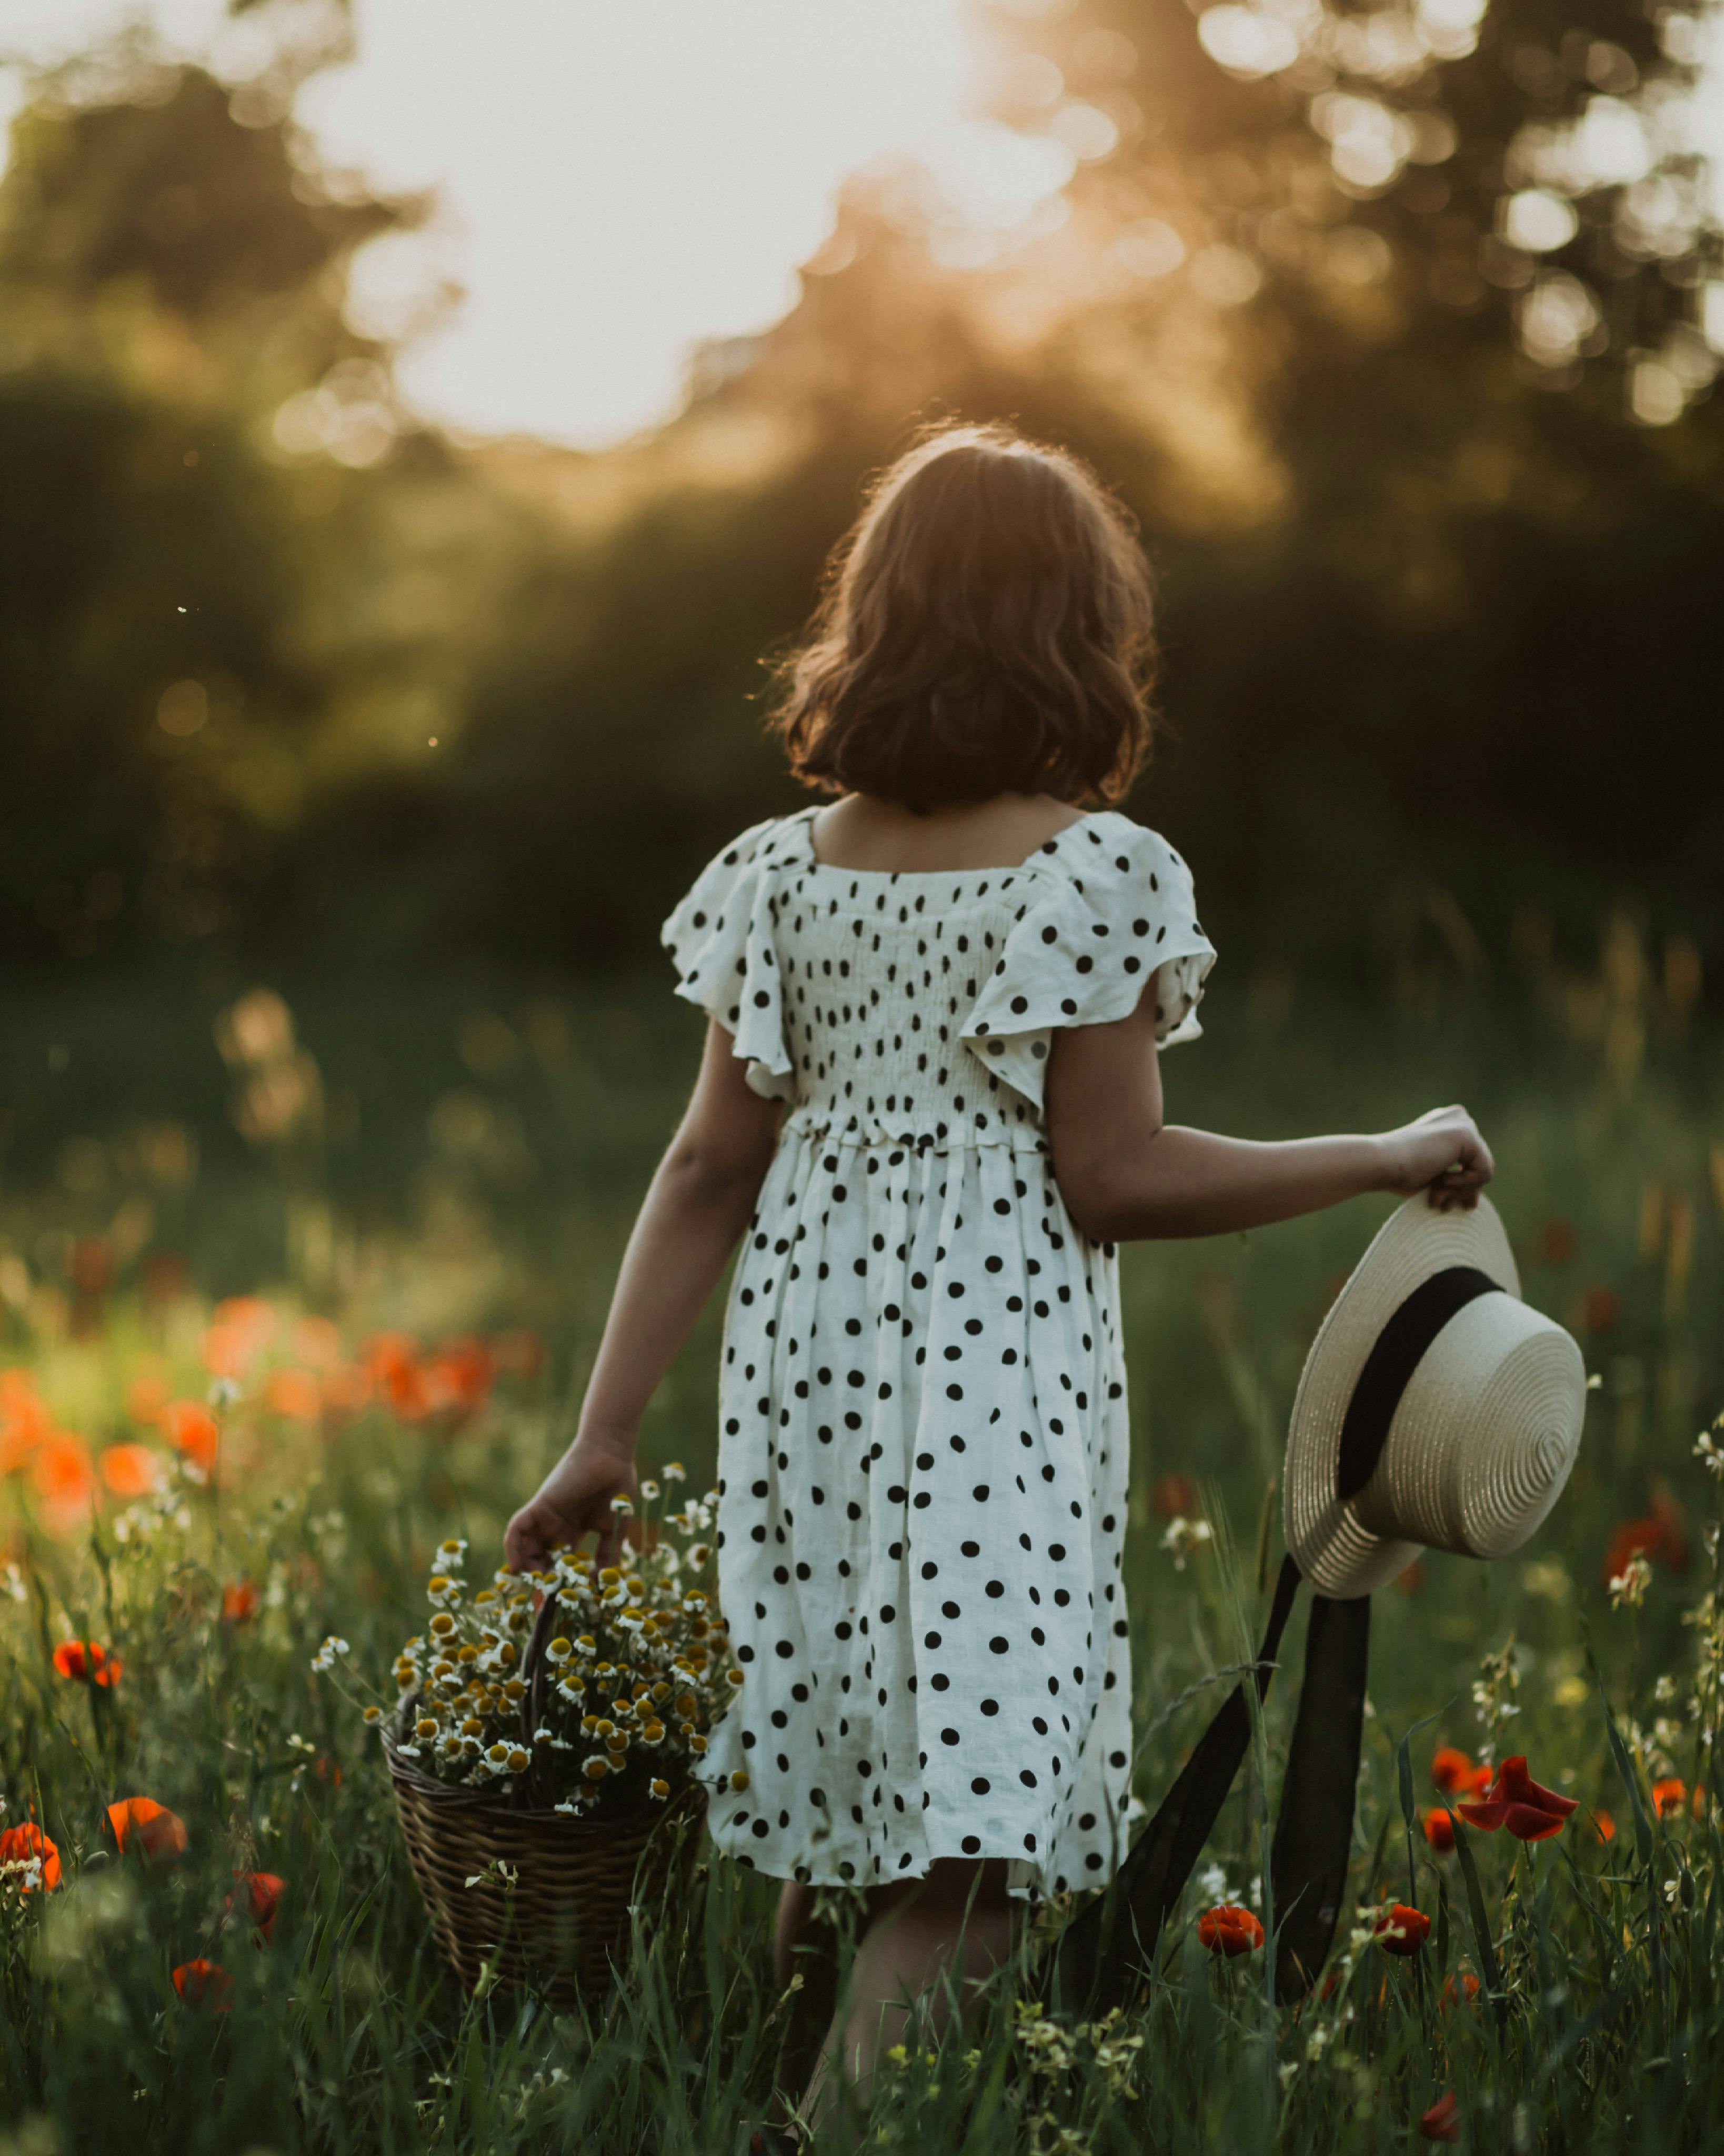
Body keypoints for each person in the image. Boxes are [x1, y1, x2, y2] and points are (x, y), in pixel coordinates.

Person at [503, 423, 1492, 2138]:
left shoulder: (778, 876)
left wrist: (604, 1433)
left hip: (800, 1365)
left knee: (851, 1771)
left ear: (872, 620)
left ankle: (766, 2080)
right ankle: (812, 2135)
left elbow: (702, 1171)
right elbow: (1107, 1177)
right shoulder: (1093, 869)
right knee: (978, 1843)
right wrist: (1377, 1155)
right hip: (982, 1381)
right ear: (1078, 632)